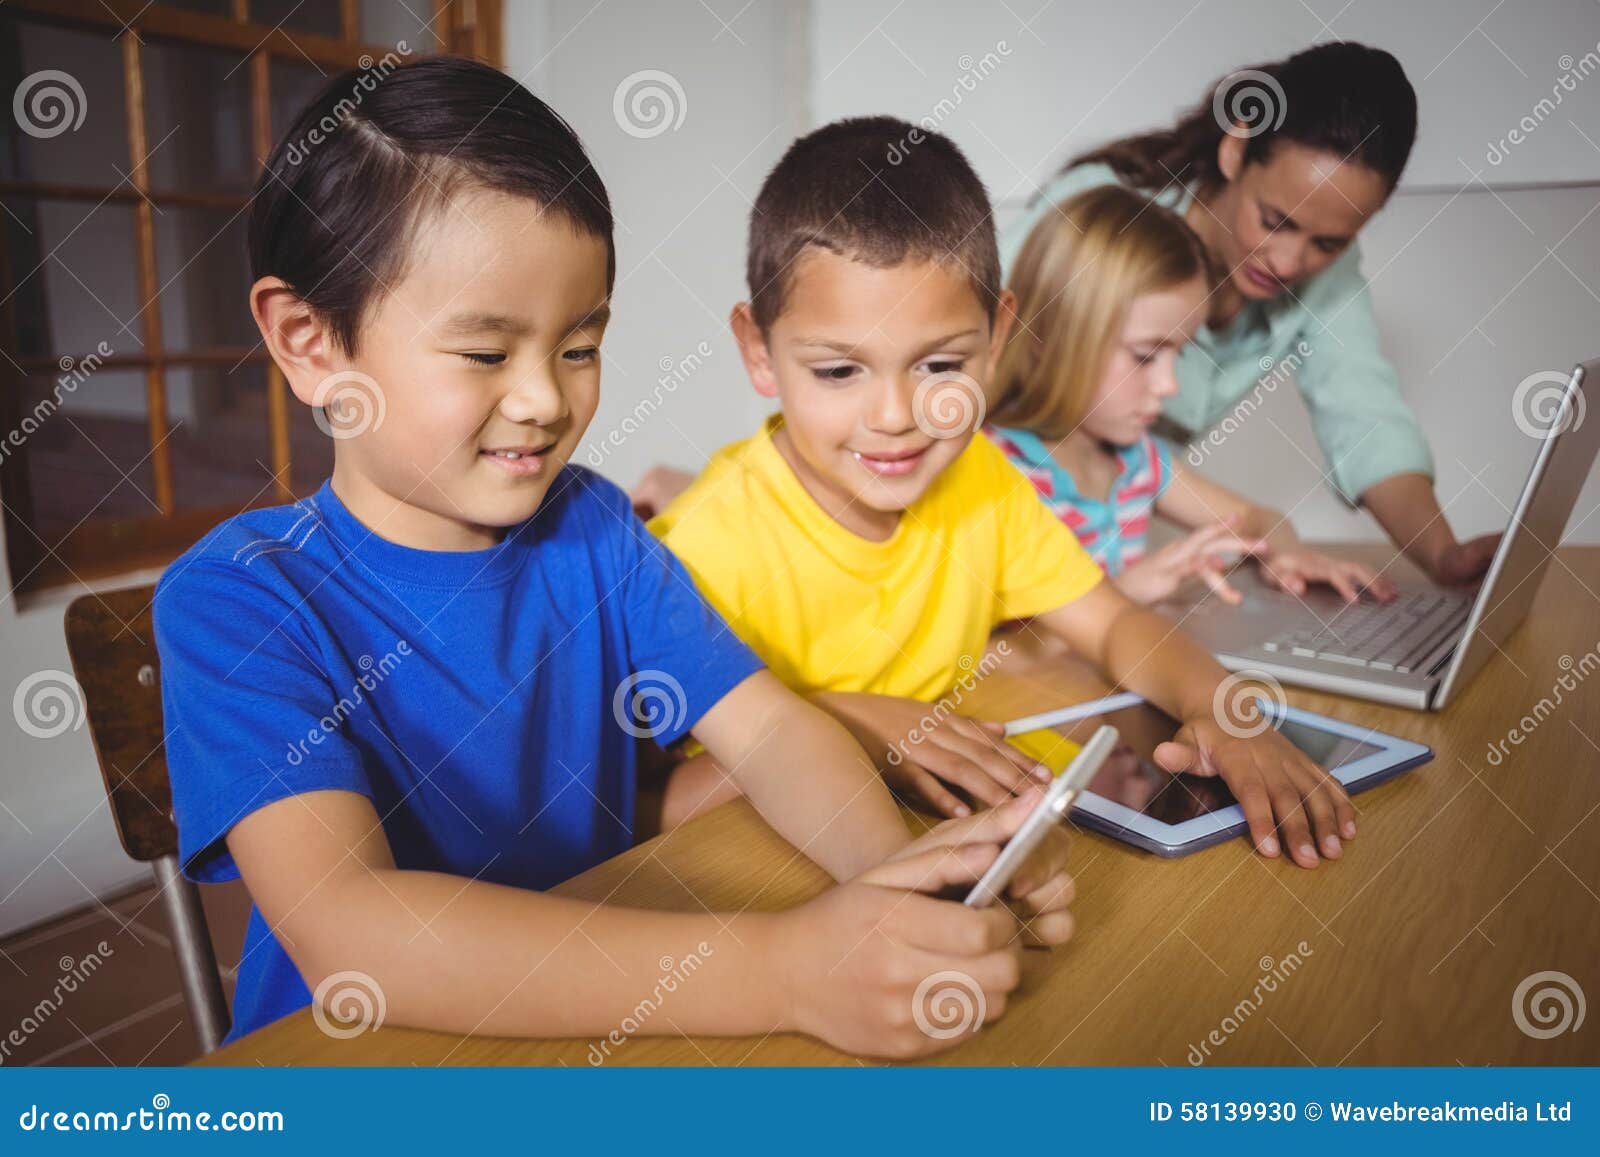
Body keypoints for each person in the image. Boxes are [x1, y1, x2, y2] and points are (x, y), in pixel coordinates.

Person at [153, 58, 1076, 1060]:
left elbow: (769, 732)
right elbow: (357, 931)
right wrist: (786, 968)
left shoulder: (591, 526)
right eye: (484, 352)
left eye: (579, 345)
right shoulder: (238, 597)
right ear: (310, 342)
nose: (547, 398)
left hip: (614, 1026)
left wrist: (902, 880)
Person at [649, 117, 1357, 870]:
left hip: (956, 827)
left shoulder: (982, 482)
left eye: (941, 365)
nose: (896, 418)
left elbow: (1116, 627)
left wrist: (1222, 707)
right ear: (759, 351)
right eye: (838, 371)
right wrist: (845, 724)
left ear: (998, 336)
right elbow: (630, 806)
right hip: (774, 870)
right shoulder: (692, 552)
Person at [1003, 40, 1499, 587]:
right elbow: (963, 352)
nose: (1289, 261)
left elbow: (1366, 415)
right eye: (1275, 221)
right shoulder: (1096, 219)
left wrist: (1443, 556)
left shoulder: (1137, 462)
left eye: (1329, 243)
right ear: (1236, 149)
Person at [987, 184, 1396, 607]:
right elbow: (985, 655)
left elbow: (1259, 520)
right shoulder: (989, 475)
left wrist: (1288, 554)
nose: (1170, 385)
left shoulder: (1137, 462)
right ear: (1049, 336)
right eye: (1146, 357)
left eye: (1177, 354)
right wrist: (1123, 597)